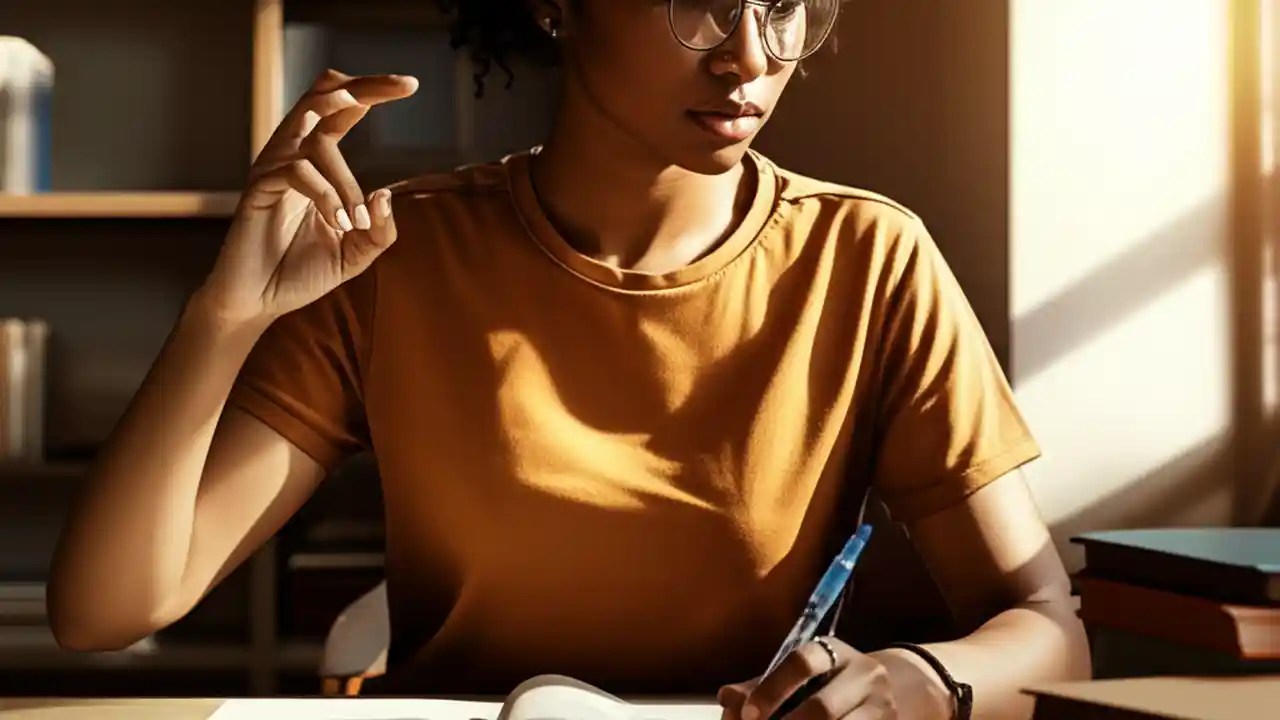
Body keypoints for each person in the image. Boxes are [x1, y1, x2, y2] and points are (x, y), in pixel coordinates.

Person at [47, 0, 1091, 717]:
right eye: (693, 0)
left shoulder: (865, 259)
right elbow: (107, 610)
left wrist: (923, 680)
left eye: (780, 2)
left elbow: (1048, 631)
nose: (749, 56)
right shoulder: (394, 256)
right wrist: (224, 316)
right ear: (555, 0)